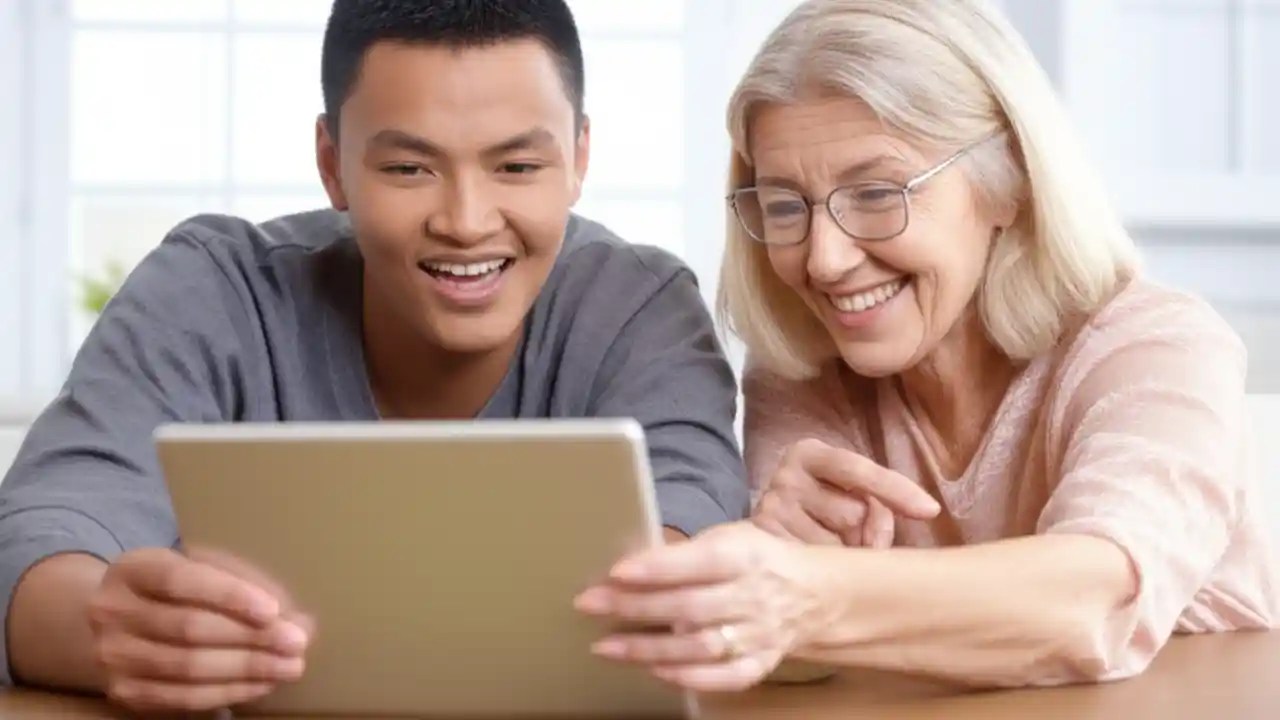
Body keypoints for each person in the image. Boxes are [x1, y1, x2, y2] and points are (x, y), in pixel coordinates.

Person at [0, 0, 749, 712]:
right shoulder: (214, 290)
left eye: (517, 168)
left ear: (579, 156)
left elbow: (700, 522)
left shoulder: (638, 308)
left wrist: (674, 590)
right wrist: (105, 629)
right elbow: (44, 532)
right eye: (408, 169)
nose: (466, 222)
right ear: (332, 164)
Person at [573, 0, 1279, 693]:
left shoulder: (1156, 346)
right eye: (785, 205)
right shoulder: (808, 366)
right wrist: (776, 559)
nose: (823, 260)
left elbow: (1092, 601)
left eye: (878, 193)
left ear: (1011, 182)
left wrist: (811, 592)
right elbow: (800, 662)